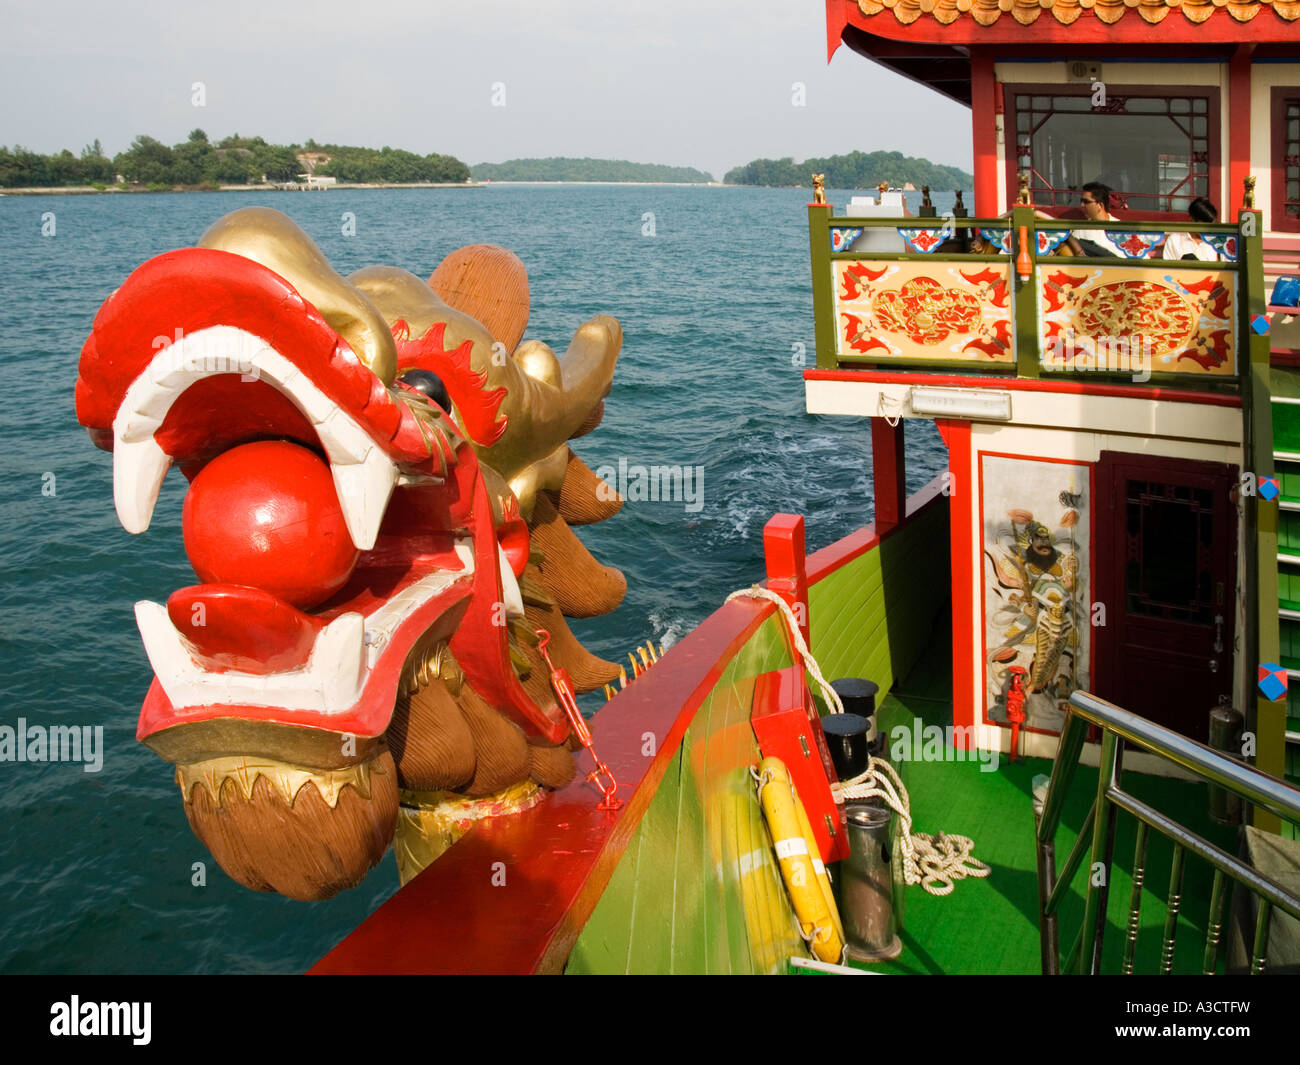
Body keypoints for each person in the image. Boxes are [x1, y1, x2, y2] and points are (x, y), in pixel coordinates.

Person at [1066, 183, 1123, 257]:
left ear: (1100, 205)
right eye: (1081, 201)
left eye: (1086, 202)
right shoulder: (1080, 231)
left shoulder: (1121, 230)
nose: (1082, 205)